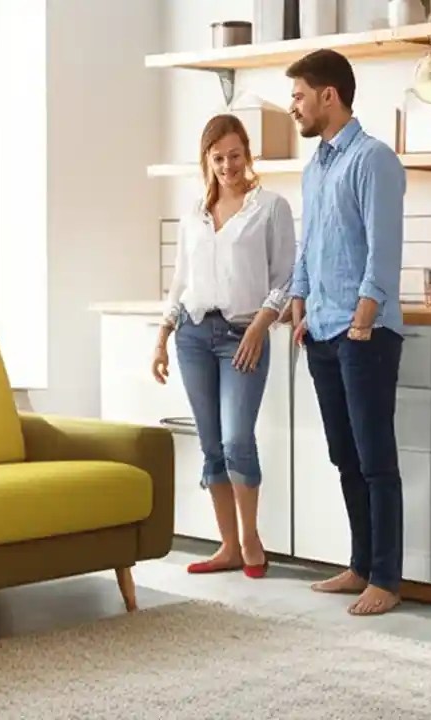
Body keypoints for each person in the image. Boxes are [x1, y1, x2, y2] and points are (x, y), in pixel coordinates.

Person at [285, 49, 407, 616]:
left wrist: (363, 317)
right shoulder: (315, 168)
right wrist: (299, 304)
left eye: (299, 96)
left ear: (328, 95)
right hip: (323, 333)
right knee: (345, 455)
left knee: (376, 457)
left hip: (365, 335)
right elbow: (309, 247)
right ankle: (360, 566)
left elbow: (383, 251)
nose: (294, 107)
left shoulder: (374, 159)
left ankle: (387, 577)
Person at [151, 114, 296, 579]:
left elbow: (286, 279)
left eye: (235, 155)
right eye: (219, 158)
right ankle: (227, 545)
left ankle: (251, 539)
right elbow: (179, 280)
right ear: (207, 161)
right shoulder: (193, 214)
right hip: (193, 334)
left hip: (242, 336)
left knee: (237, 440)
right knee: (212, 445)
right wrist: (162, 335)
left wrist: (260, 326)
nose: (228, 165)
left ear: (247, 155)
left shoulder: (270, 207)